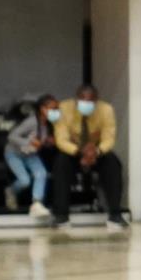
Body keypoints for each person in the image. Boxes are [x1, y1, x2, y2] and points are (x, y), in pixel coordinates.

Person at [48, 84, 126, 230]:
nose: (86, 103)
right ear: (76, 99)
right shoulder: (64, 108)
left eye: (90, 101)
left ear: (97, 101)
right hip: (73, 151)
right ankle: (61, 216)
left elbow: (109, 138)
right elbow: (61, 139)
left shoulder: (106, 110)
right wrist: (79, 152)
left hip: (96, 152)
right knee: (60, 164)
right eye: (82, 99)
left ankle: (115, 214)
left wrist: (96, 151)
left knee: (113, 164)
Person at [4, 96, 56, 217]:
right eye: (52, 109)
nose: (55, 112)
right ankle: (10, 191)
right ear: (43, 109)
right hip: (14, 153)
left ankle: (36, 204)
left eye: (57, 109)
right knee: (24, 181)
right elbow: (11, 136)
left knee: (41, 173)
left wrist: (48, 143)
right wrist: (29, 142)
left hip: (31, 154)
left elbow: (42, 142)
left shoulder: (50, 124)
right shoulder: (32, 121)